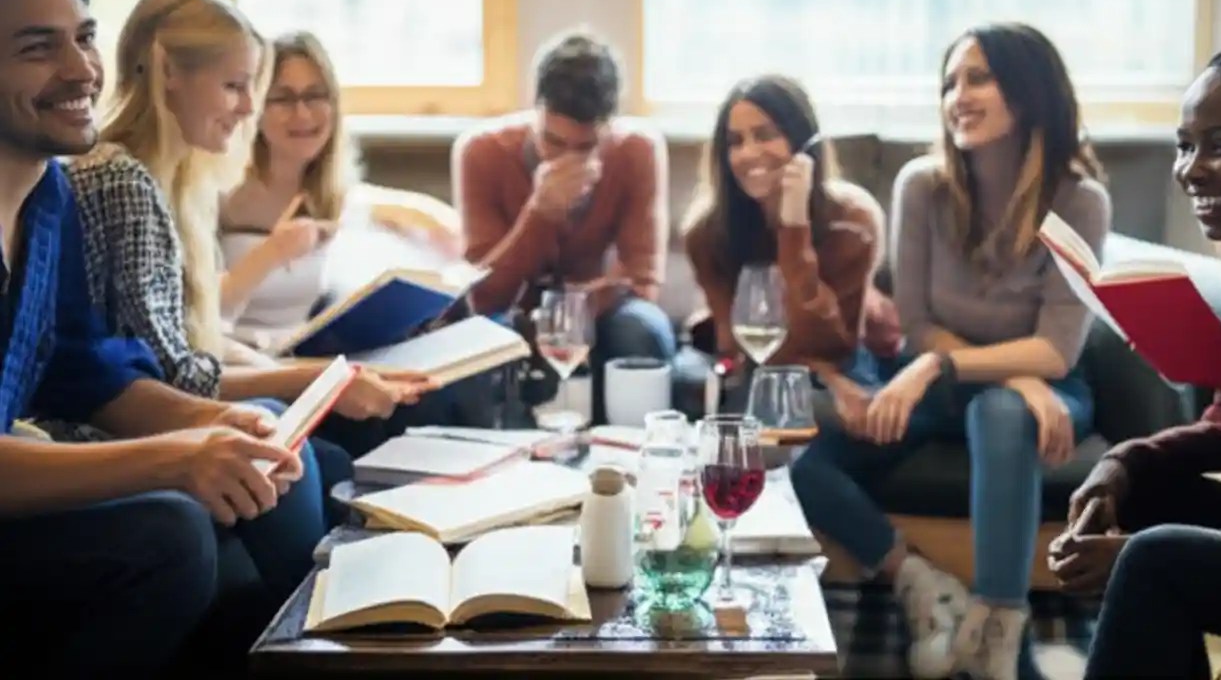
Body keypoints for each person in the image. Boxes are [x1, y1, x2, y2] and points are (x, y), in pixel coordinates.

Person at [0, 0, 311, 672]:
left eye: (84, 38)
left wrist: (210, 423)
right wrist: (175, 456)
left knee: (259, 464)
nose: (82, 69)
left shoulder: (48, 196)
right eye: (37, 47)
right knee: (167, 535)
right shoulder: (99, 179)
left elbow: (88, 375)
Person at [789, 22, 1112, 680]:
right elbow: (918, 325)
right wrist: (964, 367)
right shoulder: (921, 186)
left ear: (1029, 90)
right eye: (950, 81)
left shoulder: (1080, 199)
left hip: (1046, 393)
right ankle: (920, 583)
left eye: (978, 78)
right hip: (944, 383)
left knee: (999, 412)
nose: (957, 95)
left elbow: (1057, 349)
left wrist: (990, 374)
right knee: (805, 462)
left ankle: (998, 636)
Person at [1065, 35, 1221, 679]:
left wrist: (1132, 555)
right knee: (1142, 495)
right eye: (1186, 146)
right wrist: (1123, 464)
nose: (1189, 168)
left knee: (1155, 562)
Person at [219, 30, 490, 459]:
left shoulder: (329, 191)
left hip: (311, 358)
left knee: (434, 386)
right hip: (251, 369)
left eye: (316, 95)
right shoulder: (222, 191)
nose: (303, 113)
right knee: (389, 414)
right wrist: (271, 253)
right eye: (283, 98)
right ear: (254, 105)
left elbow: (433, 222)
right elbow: (202, 317)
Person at [452, 30, 676, 423]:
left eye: (585, 147)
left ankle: (630, 459)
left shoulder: (637, 149)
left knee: (642, 329)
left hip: (599, 313)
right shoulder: (481, 152)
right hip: (512, 314)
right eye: (553, 142)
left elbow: (642, 281)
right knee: (483, 343)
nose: (567, 160)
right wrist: (540, 213)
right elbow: (482, 297)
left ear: (608, 127)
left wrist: (566, 315)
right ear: (535, 111)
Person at [681, 74, 894, 409]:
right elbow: (740, 344)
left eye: (765, 135)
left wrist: (794, 225)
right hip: (762, 371)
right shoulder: (705, 233)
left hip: (844, 368)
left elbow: (829, 343)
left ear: (802, 144)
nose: (749, 153)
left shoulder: (854, 220)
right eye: (735, 141)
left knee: (804, 407)